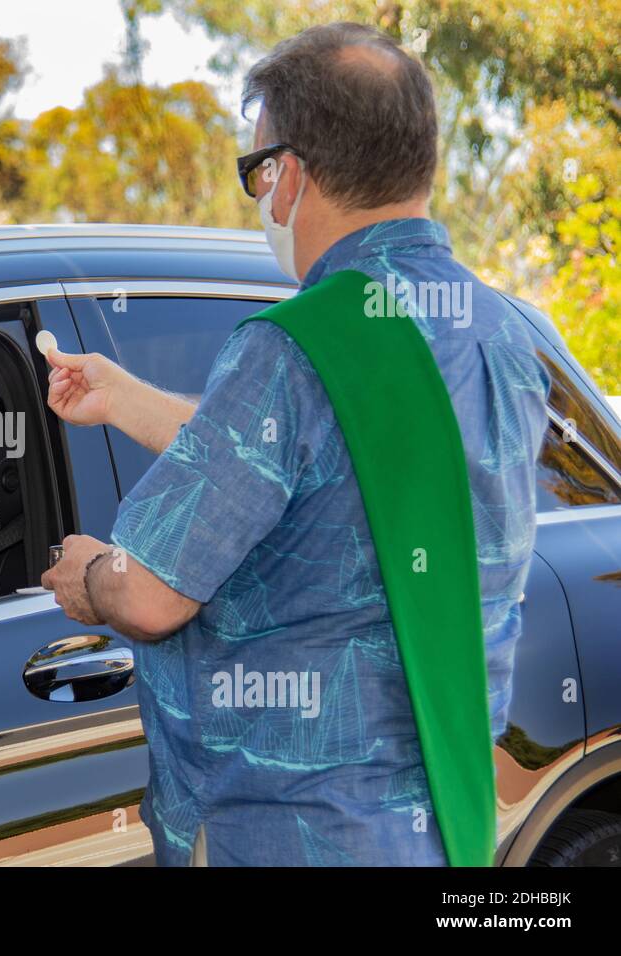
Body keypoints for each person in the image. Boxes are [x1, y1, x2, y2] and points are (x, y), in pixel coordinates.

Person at [40, 22, 550, 866]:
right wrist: (128, 401)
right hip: (447, 819)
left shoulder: (296, 345)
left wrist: (90, 574)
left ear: (291, 175)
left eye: (255, 170)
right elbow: (353, 465)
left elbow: (150, 597)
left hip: (289, 830)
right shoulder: (506, 333)